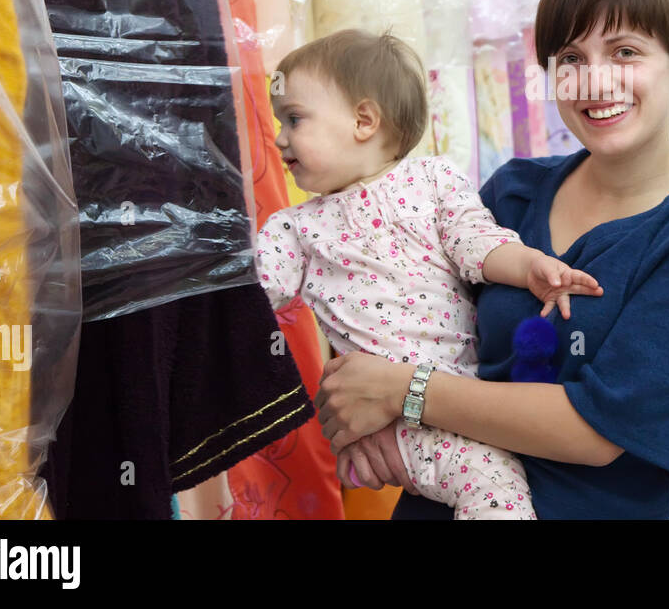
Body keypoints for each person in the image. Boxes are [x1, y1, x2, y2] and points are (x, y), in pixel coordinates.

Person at [316, 0, 669, 519]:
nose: (595, 81)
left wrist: (402, 390)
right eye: (571, 58)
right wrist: (366, 410)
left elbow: (598, 431)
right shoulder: (513, 193)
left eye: (625, 52)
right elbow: (402, 312)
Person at [258, 28, 603, 518]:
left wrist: (530, 267)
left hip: (453, 401)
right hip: (395, 423)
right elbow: (250, 293)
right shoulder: (292, 228)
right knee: (497, 495)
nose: (279, 137)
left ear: (363, 120)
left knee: (494, 486)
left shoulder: (434, 181)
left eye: (294, 119)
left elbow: (476, 243)